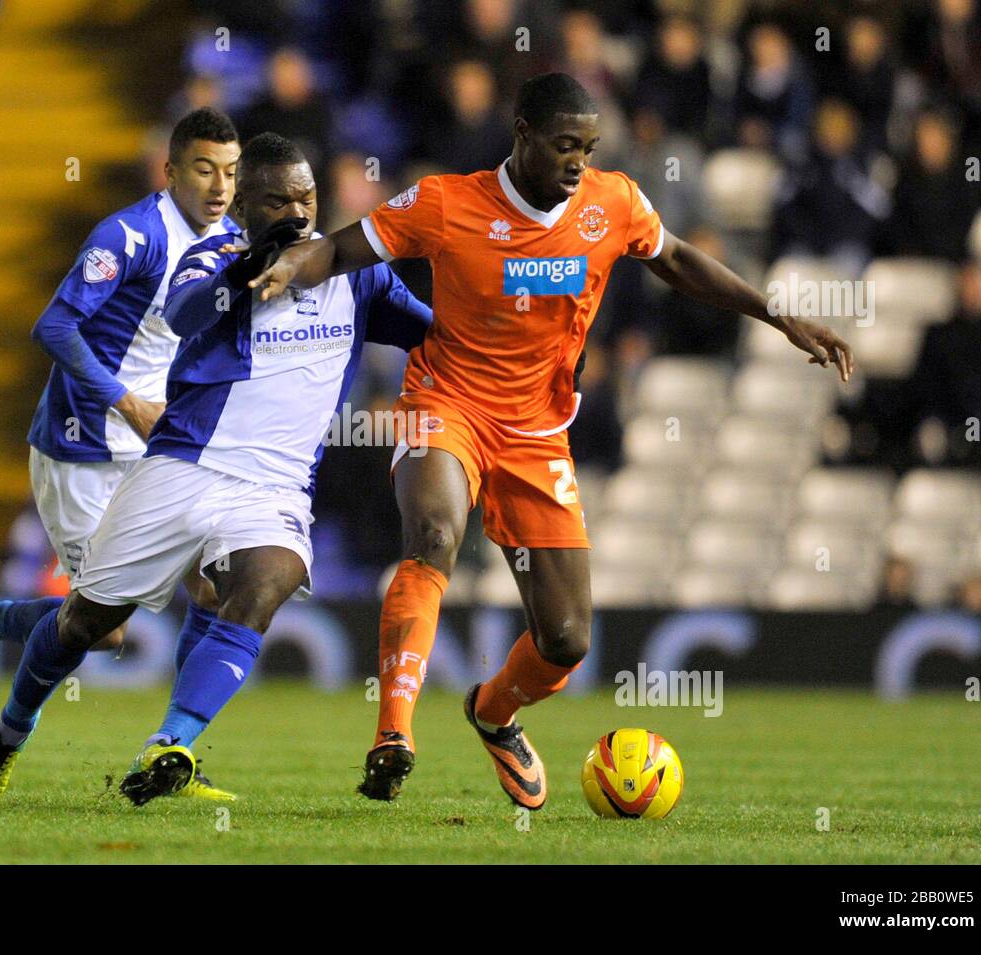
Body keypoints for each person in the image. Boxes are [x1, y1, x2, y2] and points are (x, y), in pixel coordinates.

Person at [252, 72, 853, 809]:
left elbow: (676, 260)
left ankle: (493, 711)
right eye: (565, 145)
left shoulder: (614, 201)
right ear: (523, 135)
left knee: (565, 642)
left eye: (589, 147)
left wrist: (775, 312)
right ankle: (392, 735)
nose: (579, 161)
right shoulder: (447, 201)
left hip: (538, 431)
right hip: (445, 404)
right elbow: (343, 251)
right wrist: (288, 265)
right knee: (433, 534)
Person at [0, 132, 432, 806]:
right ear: (244, 207)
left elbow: (434, 332)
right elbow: (185, 311)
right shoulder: (212, 257)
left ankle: (170, 742)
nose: (297, 213)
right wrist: (247, 274)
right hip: (182, 467)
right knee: (84, 625)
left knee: (269, 578)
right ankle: (8, 733)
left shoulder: (357, 272)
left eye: (306, 197)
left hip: (272, 488)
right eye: (277, 201)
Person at [0, 108, 240, 797]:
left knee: (216, 585)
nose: (219, 186)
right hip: (84, 447)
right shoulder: (129, 235)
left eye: (230, 171)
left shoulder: (231, 243)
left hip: (163, 448)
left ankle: (171, 750)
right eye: (203, 168)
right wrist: (124, 400)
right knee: (99, 634)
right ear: (171, 170)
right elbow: (55, 325)